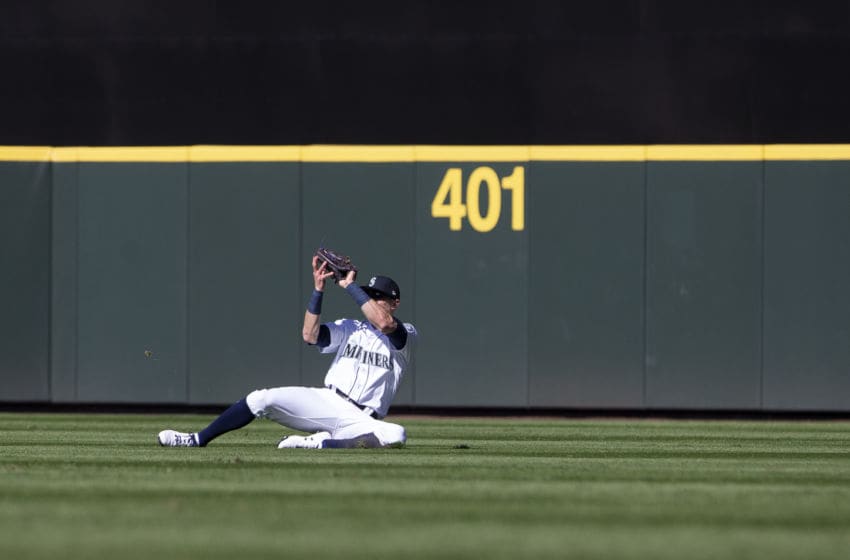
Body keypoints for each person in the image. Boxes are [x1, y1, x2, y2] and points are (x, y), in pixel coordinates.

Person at [157, 256, 417, 449]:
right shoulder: (350, 327)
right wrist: (318, 290)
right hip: (328, 401)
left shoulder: (405, 333)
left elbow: (384, 323)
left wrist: (351, 287)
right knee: (260, 398)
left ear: (395, 303)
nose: (372, 300)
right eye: (370, 295)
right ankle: (196, 439)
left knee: (396, 435)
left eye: (379, 297)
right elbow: (310, 335)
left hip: (362, 419)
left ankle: (320, 443)